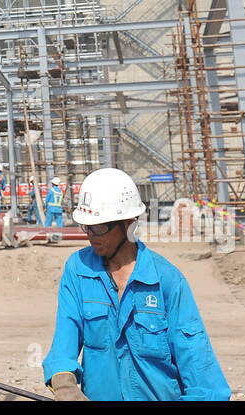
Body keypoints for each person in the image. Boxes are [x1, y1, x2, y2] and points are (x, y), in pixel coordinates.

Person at [42, 167, 230, 401]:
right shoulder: (79, 271)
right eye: (86, 226)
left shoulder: (167, 281)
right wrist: (64, 383)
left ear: (128, 224)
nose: (91, 234)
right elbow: (64, 341)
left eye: (100, 226)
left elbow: (201, 373)